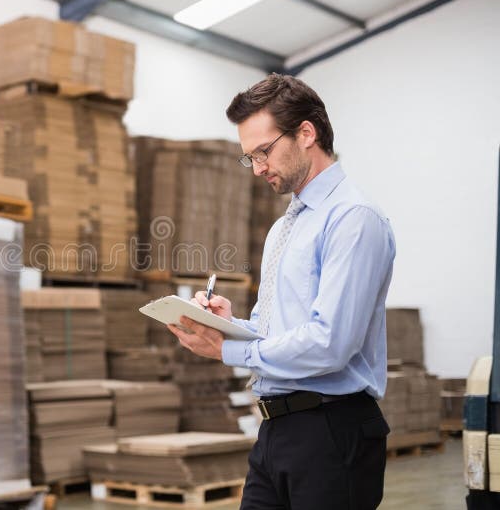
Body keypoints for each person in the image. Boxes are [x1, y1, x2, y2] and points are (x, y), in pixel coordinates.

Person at [166, 73, 396, 510]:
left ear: (306, 133)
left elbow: (329, 344)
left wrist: (227, 351)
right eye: (248, 158)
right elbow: (280, 329)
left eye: (263, 151)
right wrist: (228, 325)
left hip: (331, 431)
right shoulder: (284, 227)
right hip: (275, 430)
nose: (257, 168)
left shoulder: (353, 218)